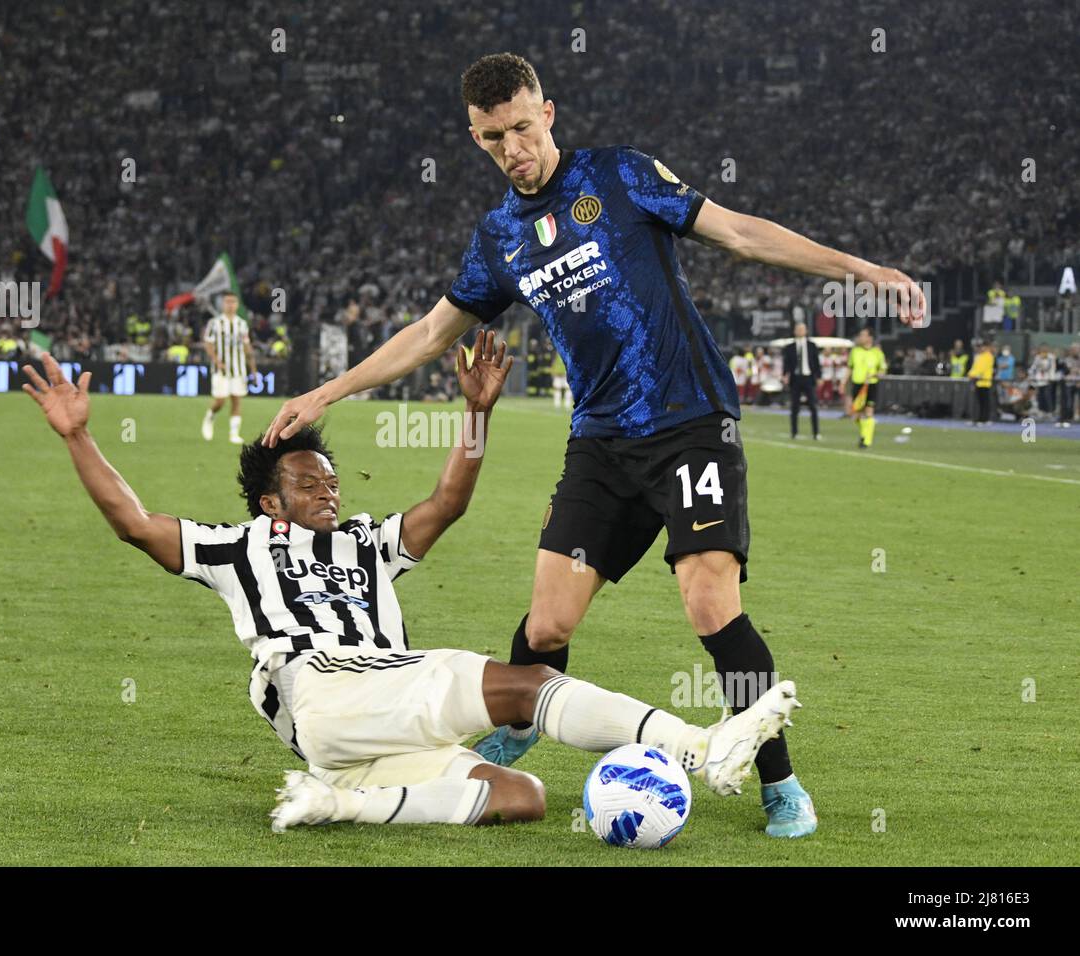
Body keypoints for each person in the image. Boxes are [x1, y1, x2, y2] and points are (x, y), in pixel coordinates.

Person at [266, 52, 924, 838]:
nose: (512, 148)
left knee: (711, 603)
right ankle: (520, 727)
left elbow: (740, 234)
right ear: (474, 140)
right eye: (491, 138)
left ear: (548, 113)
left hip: (689, 427)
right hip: (603, 444)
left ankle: (779, 781)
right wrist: (326, 391)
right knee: (545, 628)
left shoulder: (620, 176)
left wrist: (859, 269)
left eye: (520, 127)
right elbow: (433, 331)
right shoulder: (500, 237)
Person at [20, 342, 798, 831]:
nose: (328, 492)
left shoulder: (366, 542)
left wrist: (476, 416)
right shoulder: (238, 545)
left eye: (330, 480)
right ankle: (703, 747)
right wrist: (80, 435)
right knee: (527, 682)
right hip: (322, 684)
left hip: (365, 731)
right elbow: (134, 521)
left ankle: (344, 801)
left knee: (520, 796)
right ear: (270, 502)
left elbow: (445, 504)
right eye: (308, 482)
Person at [201, 291, 256, 444]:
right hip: (221, 369)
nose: (230, 305)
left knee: (236, 400)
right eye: (227, 302)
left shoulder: (242, 324)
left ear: (237, 304)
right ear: (222, 304)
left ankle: (234, 434)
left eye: (233, 302)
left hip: (238, 369)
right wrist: (216, 360)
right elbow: (208, 343)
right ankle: (210, 416)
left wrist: (254, 369)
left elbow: (246, 347)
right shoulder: (215, 323)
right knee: (220, 401)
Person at [846, 328, 887, 448]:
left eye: (863, 335)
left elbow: (883, 370)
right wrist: (843, 382)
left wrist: (875, 374)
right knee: (856, 415)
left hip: (871, 384)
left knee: (869, 412)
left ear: (870, 338)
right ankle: (864, 434)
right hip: (857, 384)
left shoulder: (877, 352)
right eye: (860, 335)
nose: (860, 338)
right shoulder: (855, 351)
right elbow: (850, 367)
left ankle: (866, 440)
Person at [781, 323, 821, 439]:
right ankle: (794, 432)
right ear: (794, 331)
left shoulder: (812, 346)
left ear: (806, 331)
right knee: (794, 407)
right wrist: (785, 375)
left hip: (809, 378)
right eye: (798, 329)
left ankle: (816, 433)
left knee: (813, 406)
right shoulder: (790, 347)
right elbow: (786, 363)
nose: (800, 331)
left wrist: (818, 376)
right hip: (795, 378)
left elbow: (816, 362)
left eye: (802, 329)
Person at [968, 340, 996, 425]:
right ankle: (976, 420)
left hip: (985, 382)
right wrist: (970, 374)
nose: (982, 348)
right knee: (978, 402)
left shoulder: (989, 356)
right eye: (981, 346)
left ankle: (984, 420)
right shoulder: (979, 356)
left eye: (983, 346)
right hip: (978, 382)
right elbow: (975, 367)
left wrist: (974, 374)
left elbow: (982, 368)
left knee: (985, 403)